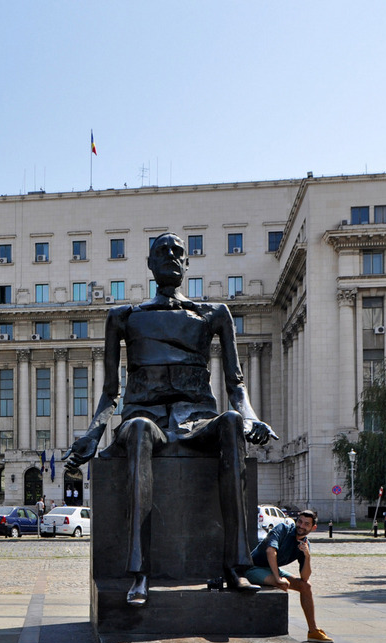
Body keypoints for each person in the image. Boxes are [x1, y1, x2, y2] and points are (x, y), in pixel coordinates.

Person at [66, 232, 277, 606]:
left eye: (178, 252)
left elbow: (236, 383)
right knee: (139, 430)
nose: (171, 256)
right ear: (149, 265)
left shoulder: (213, 315)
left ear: (187, 264)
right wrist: (93, 434)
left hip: (197, 421)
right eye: (162, 252)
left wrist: (249, 419)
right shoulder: (124, 318)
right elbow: (111, 392)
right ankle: (140, 573)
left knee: (228, 422)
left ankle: (234, 566)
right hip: (145, 418)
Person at [245, 509, 332, 643]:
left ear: (313, 528)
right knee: (283, 583)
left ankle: (313, 631)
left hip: (270, 569)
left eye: (306, 524)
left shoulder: (304, 545)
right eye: (300, 522)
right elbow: (270, 551)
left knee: (306, 586)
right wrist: (277, 577)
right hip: (253, 568)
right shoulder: (283, 529)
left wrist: (307, 556)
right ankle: (275, 631)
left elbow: (304, 577)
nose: (301, 526)